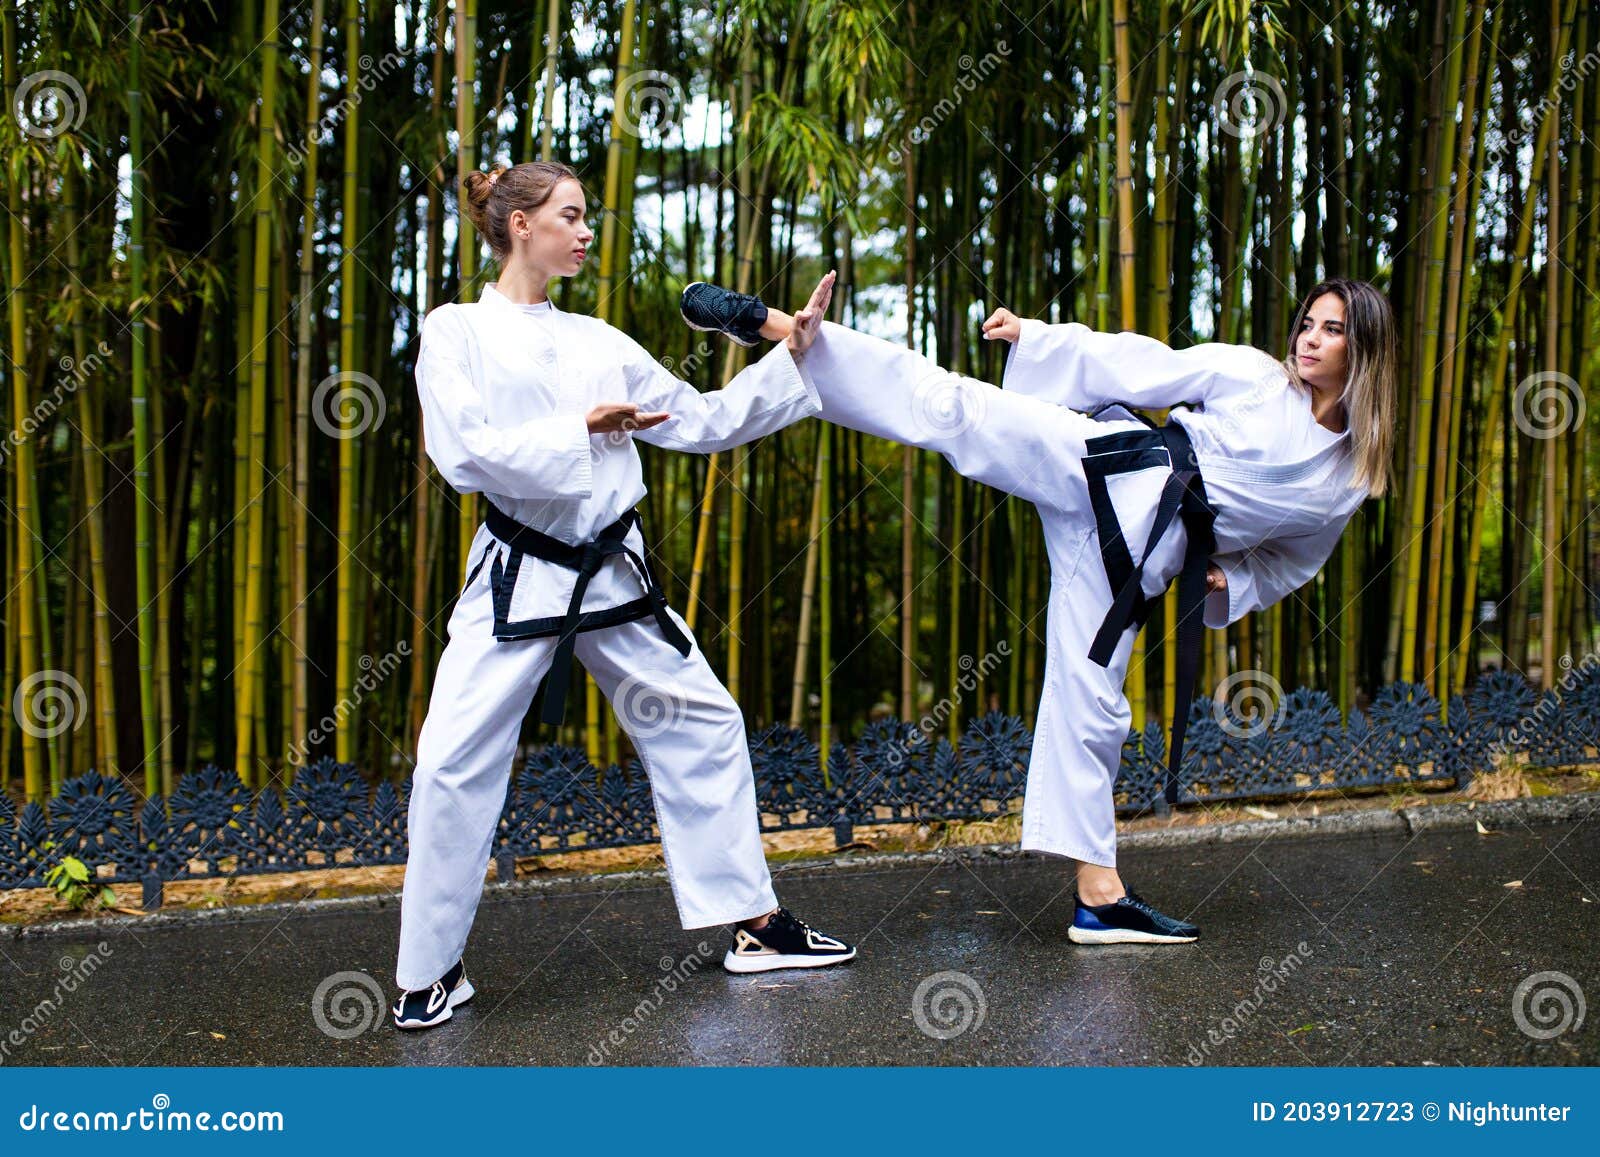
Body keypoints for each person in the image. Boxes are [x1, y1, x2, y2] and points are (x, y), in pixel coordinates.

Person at [681, 272, 1395, 945]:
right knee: (958, 409)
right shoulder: (1255, 376)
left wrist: (1226, 579)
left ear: (1364, 349)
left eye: (1331, 330)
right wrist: (1040, 338)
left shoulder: (1348, 478)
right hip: (1111, 466)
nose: (1308, 338)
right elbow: (1141, 364)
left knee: (1094, 703)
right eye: (1308, 322)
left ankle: (1100, 899)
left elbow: (1295, 559)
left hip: (1138, 558)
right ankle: (783, 328)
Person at [393, 163, 854, 1031]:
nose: (585, 232)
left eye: (586, 217)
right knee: (450, 760)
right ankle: (428, 970)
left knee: (705, 722)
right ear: (520, 225)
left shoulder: (598, 338)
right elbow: (463, 452)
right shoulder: (456, 331)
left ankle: (755, 925)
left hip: (612, 570)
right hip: (520, 571)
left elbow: (703, 419)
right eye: (570, 216)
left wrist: (790, 354)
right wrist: (580, 428)